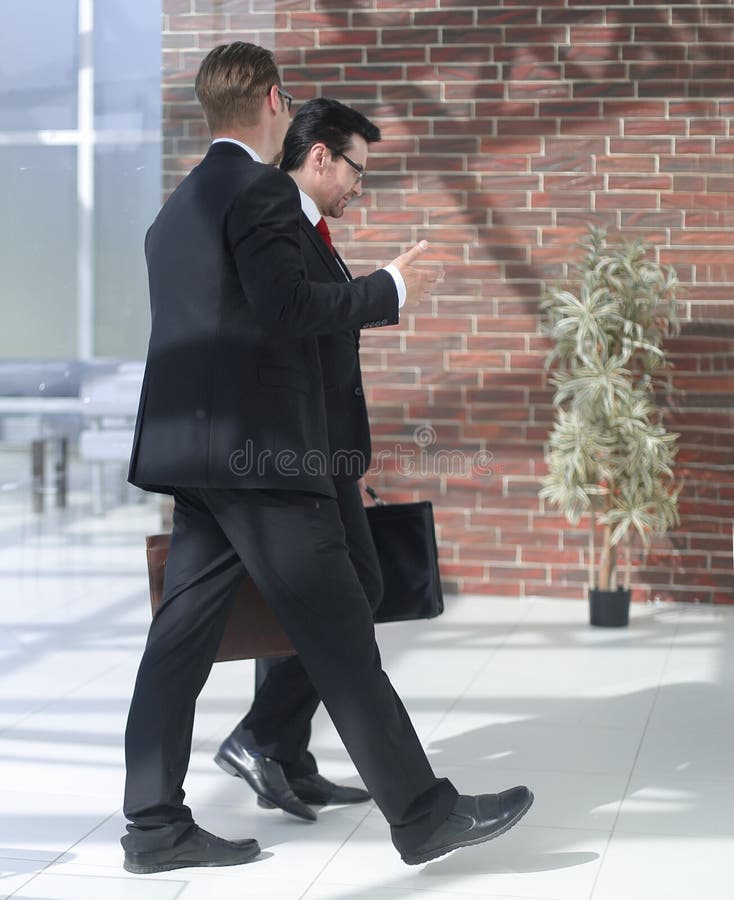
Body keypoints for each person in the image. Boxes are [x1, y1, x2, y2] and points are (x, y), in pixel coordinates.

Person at [121, 41, 533, 876]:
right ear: (274, 102)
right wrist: (390, 290)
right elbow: (288, 307)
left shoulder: (177, 208)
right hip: (264, 460)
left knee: (177, 647)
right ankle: (422, 816)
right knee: (342, 633)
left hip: (194, 460)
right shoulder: (262, 190)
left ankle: (153, 828)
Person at [215, 99, 391, 822]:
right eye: (356, 169)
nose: (359, 186)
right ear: (320, 155)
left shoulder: (307, 225)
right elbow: (291, 326)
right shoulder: (277, 217)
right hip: (295, 452)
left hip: (327, 448)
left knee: (325, 599)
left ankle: (286, 754)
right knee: (359, 590)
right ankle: (260, 737)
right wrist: (382, 290)